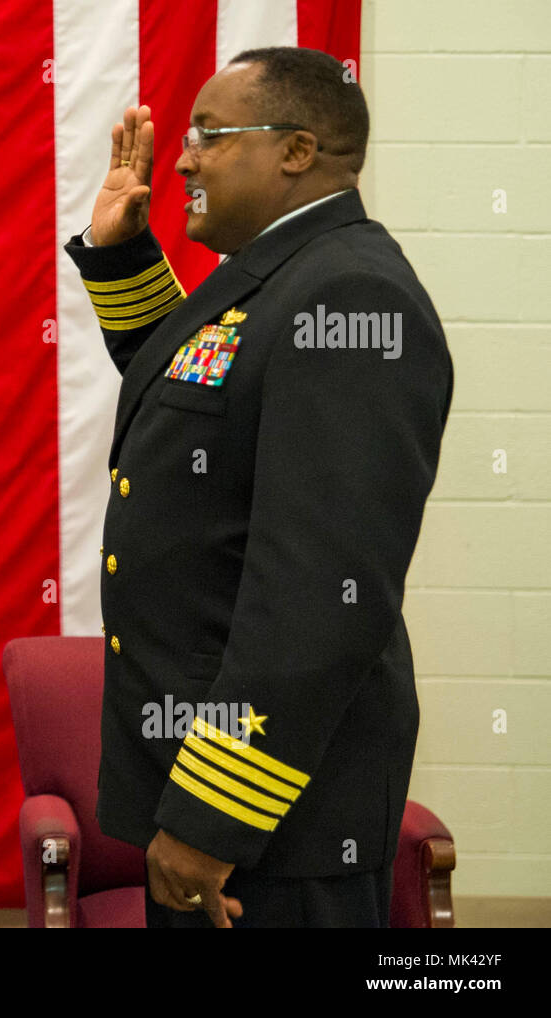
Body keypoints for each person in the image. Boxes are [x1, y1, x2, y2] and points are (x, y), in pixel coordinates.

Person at [65, 46, 452, 928]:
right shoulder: (286, 278)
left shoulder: (351, 295)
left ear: (297, 151)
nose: (186, 159)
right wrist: (124, 261)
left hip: (278, 822)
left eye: (210, 134)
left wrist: (215, 816)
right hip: (223, 792)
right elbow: (200, 401)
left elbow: (317, 596)